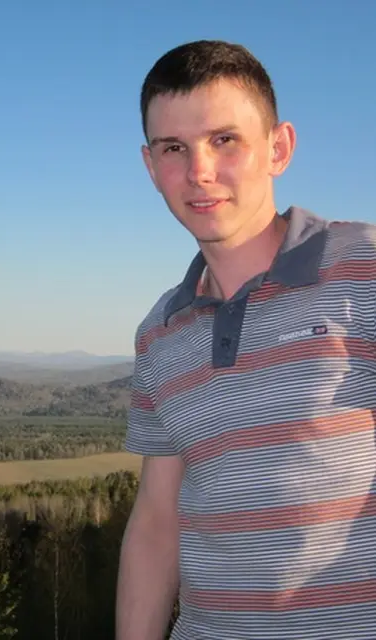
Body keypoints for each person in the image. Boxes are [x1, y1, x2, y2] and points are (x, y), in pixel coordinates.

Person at [116, 39, 376, 640]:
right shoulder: (159, 333)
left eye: (224, 140)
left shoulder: (362, 267)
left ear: (278, 148)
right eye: (174, 148)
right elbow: (156, 523)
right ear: (151, 166)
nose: (199, 171)